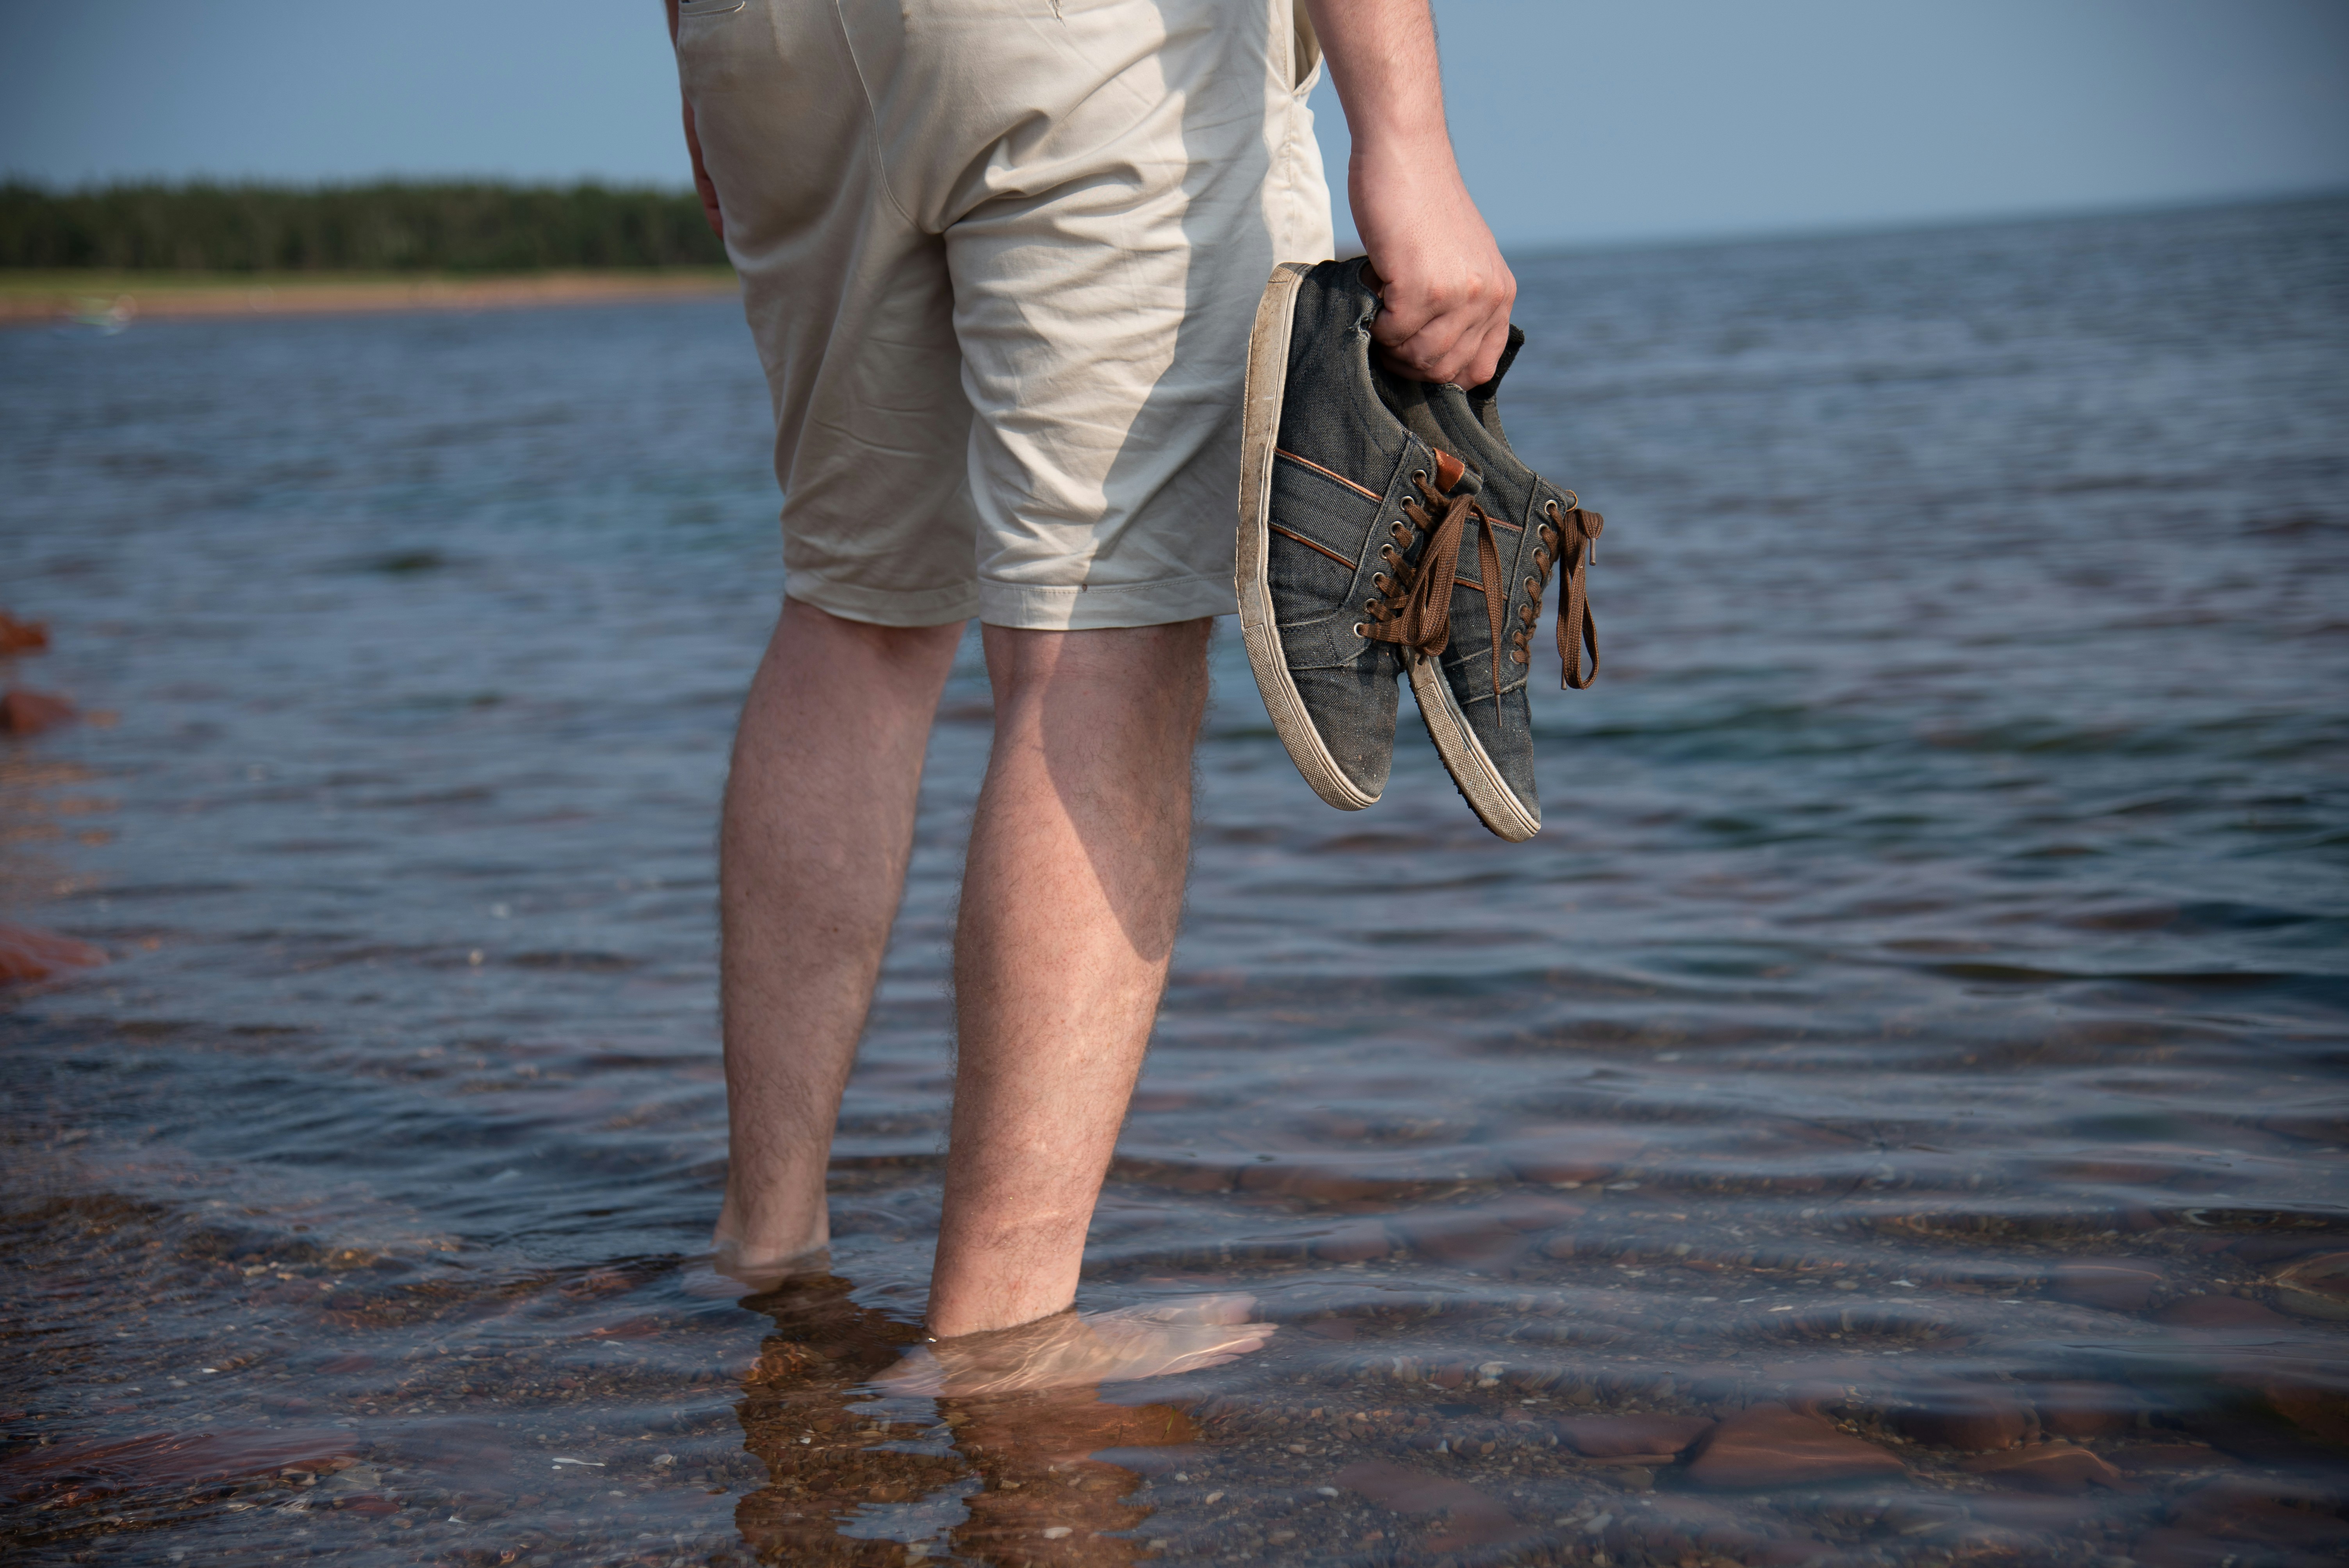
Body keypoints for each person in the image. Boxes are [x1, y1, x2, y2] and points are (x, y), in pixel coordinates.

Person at [667, 0, 1514, 1388]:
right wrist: (1407, 137)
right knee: (1091, 640)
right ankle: (1002, 1335)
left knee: (854, 612)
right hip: (1077, 37)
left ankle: (768, 1239)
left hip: (767, 42)